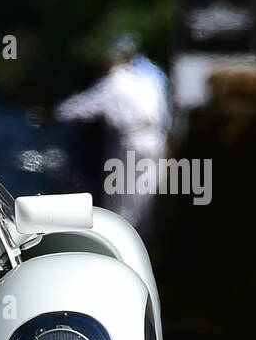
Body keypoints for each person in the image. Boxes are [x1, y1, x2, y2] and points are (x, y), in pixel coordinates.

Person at [55, 33, 171, 238]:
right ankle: (145, 242)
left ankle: (122, 242)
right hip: (156, 138)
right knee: (146, 196)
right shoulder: (147, 77)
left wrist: (57, 112)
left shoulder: (115, 81)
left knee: (122, 197)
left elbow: (84, 107)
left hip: (131, 140)